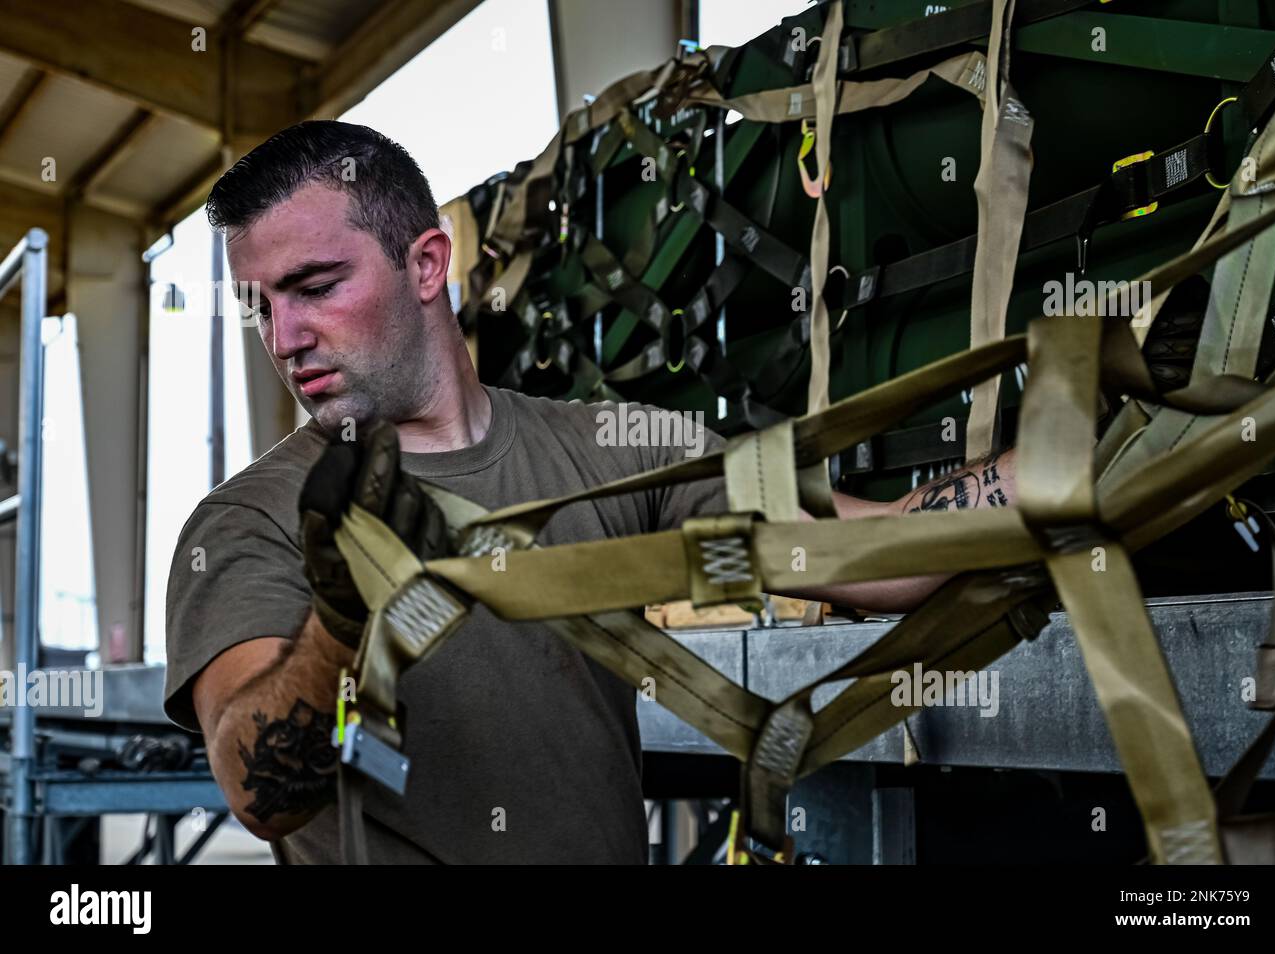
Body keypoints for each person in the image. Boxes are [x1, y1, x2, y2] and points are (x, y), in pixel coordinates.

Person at [163, 120, 1019, 864]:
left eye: (314, 289)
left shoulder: (611, 451)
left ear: (426, 265)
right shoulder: (255, 520)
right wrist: (341, 622)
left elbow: (887, 556)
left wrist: (1103, 457)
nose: (285, 338)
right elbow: (260, 791)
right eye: (260, 306)